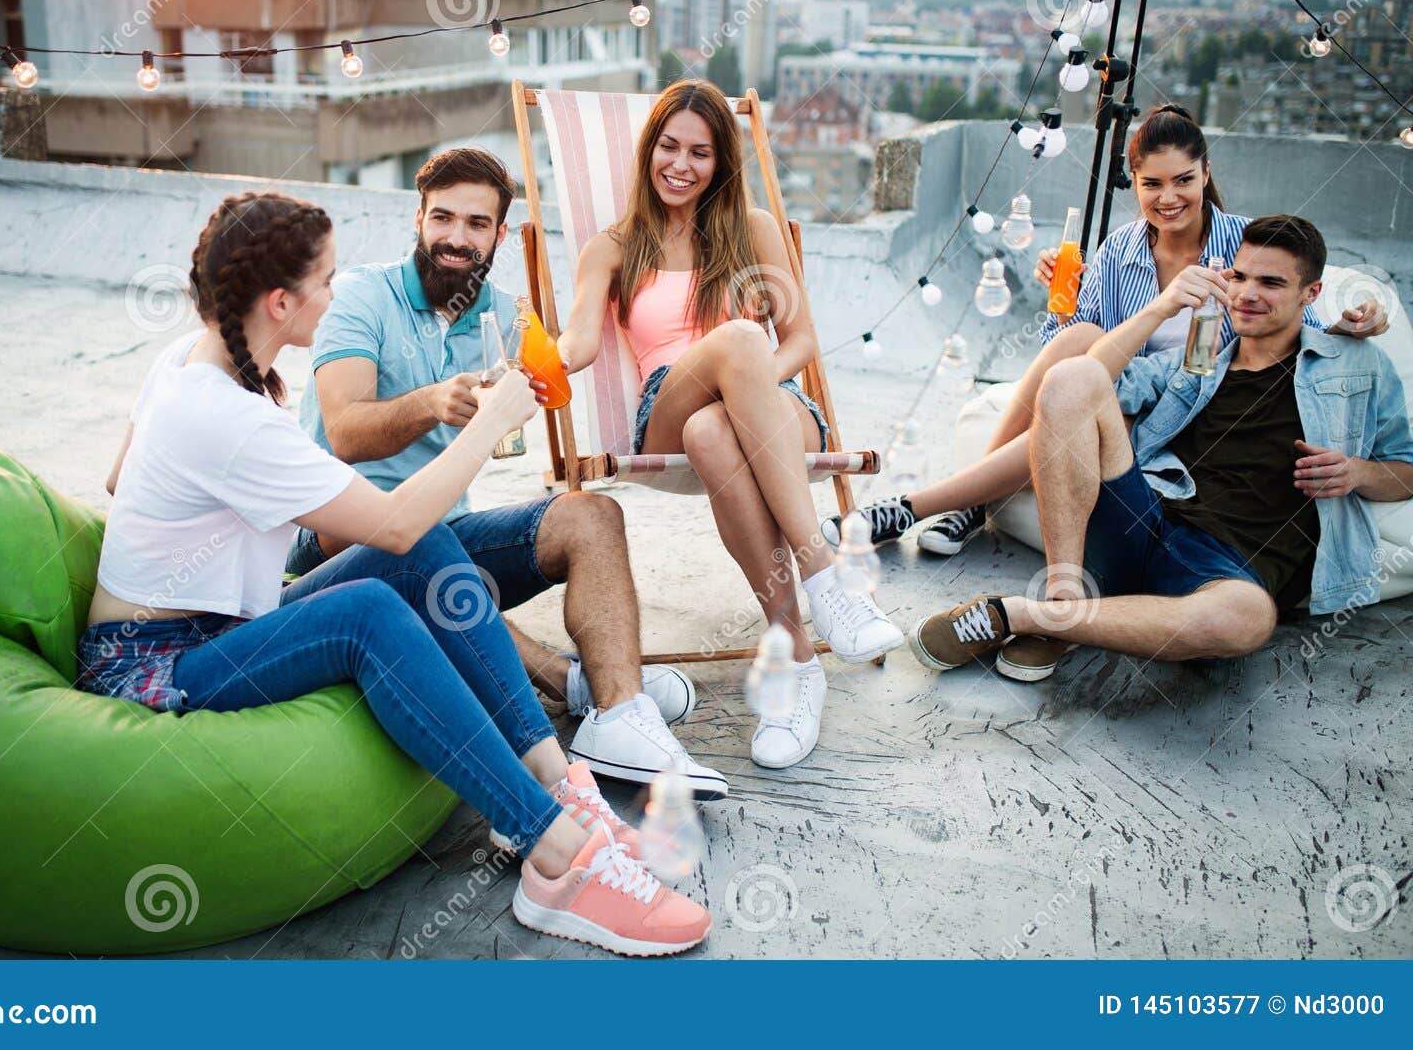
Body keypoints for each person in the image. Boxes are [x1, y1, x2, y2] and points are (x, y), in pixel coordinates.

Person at [80, 192, 711, 956]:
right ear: (281, 302)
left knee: (425, 550)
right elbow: (395, 516)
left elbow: (121, 479)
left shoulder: (189, 362)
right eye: (326, 279)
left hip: (219, 624)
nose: (338, 291)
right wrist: (489, 422)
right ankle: (555, 858)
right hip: (158, 664)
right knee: (371, 609)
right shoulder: (225, 414)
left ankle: (558, 784)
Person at [289, 149, 727, 799]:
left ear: (500, 233)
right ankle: (569, 682)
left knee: (591, 514)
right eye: (442, 218)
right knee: (410, 543)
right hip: (335, 536)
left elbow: (553, 378)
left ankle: (619, 715)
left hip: (444, 530)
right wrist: (435, 400)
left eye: (475, 223)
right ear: (418, 217)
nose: (455, 237)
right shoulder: (361, 297)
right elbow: (346, 430)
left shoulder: (501, 313)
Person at [826, 104, 1389, 557]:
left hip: (1189, 403)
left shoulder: (1242, 244)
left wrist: (1353, 323)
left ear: (1206, 174)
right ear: (1135, 183)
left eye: (1183, 181)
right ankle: (972, 500)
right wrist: (1058, 293)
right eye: (1152, 184)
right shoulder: (1121, 248)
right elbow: (1064, 355)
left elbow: (1293, 323)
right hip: (1120, 388)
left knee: (1102, 403)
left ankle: (924, 504)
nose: (1168, 199)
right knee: (1077, 342)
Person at [555, 78, 905, 773]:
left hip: (770, 413)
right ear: (649, 149)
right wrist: (529, 356)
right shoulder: (614, 245)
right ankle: (827, 578)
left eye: (701, 152)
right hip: (669, 408)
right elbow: (578, 345)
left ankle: (797, 660)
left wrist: (754, 392)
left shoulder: (753, 228)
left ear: (723, 162)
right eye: (669, 146)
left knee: (722, 421)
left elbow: (801, 340)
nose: (680, 165)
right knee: (741, 344)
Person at [911, 214, 1413, 681]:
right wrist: (1164, 305)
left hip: (1227, 571)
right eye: (1239, 277)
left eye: (1271, 283)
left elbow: (1405, 470)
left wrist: (1358, 473)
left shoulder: (1356, 364)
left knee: (1249, 620)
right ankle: (1064, 588)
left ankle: (1029, 616)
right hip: (1144, 517)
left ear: (1312, 293)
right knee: (1072, 374)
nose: (1247, 294)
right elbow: (1094, 379)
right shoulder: (1201, 354)